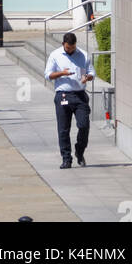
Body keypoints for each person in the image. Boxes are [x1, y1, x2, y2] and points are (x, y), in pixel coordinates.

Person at [45, 31, 95, 168]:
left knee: (84, 125)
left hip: (79, 95)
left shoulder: (83, 55)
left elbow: (91, 72)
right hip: (63, 95)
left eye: (72, 48)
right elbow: (48, 75)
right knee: (63, 129)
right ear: (63, 44)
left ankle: (79, 151)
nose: (70, 50)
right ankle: (66, 158)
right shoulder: (55, 55)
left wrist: (88, 77)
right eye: (68, 48)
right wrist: (62, 73)